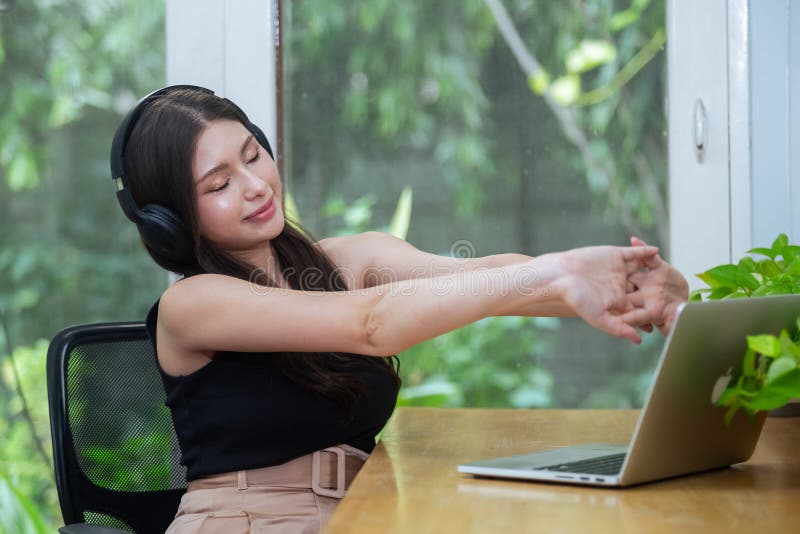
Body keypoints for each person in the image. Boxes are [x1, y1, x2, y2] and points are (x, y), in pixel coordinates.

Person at [110, 85, 688, 533]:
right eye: (219, 184)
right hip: (247, 521)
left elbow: (481, 277)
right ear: (172, 219)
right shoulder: (192, 305)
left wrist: (633, 288)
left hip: (365, 508)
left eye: (252, 155)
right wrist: (559, 273)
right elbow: (373, 322)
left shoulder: (348, 260)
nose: (256, 186)